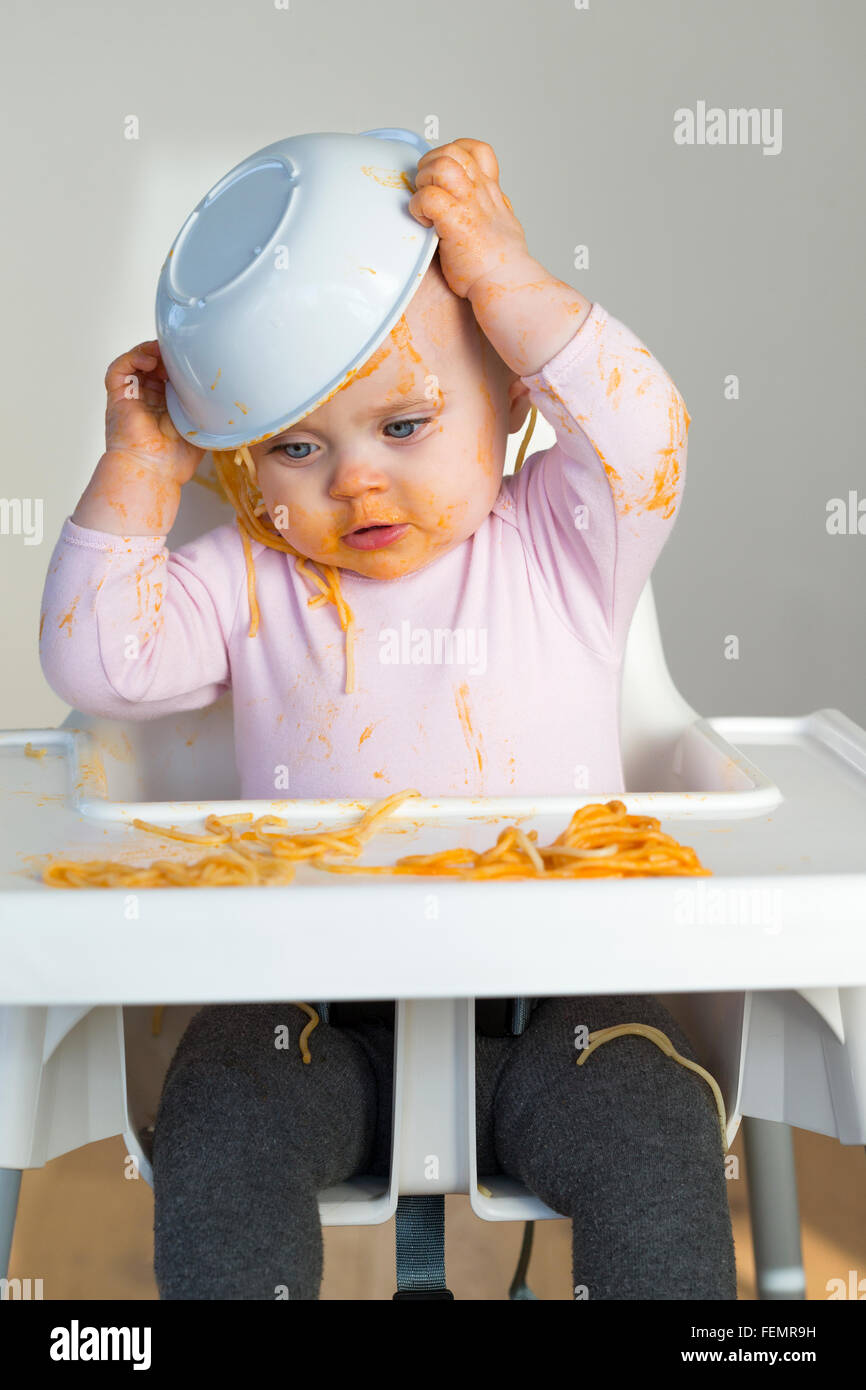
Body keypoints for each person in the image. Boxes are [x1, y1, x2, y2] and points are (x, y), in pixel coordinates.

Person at [39, 137, 736, 1300]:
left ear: (511, 395)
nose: (353, 481)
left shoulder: (566, 542)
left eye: (403, 426)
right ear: (242, 465)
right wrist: (141, 474)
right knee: (220, 1108)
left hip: (562, 1012)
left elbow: (642, 426)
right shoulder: (243, 578)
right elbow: (95, 662)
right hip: (312, 1020)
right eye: (295, 448)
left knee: (650, 1120)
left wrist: (503, 275)